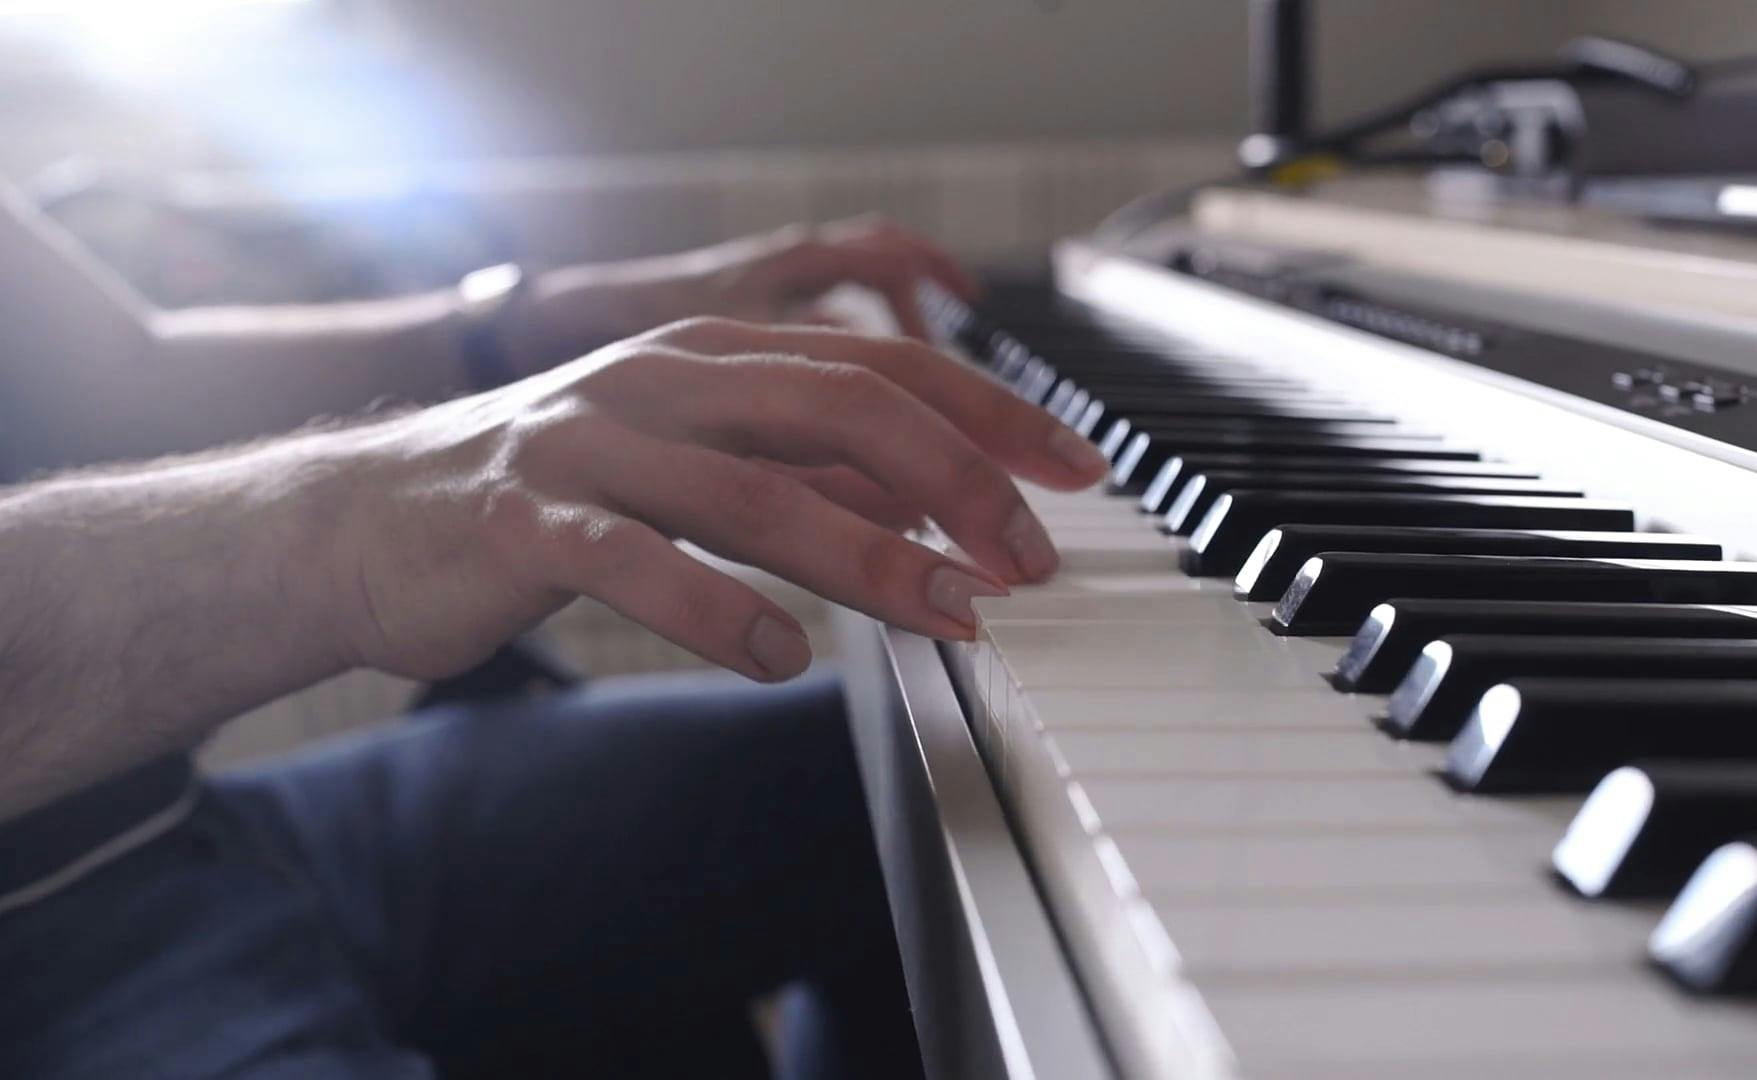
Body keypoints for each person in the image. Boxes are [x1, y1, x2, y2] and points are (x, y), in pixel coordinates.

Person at [0, 178, 1110, 1078]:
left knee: (958, 790)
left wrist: (513, 339)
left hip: (184, 833)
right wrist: (340, 524)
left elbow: (116, 376)